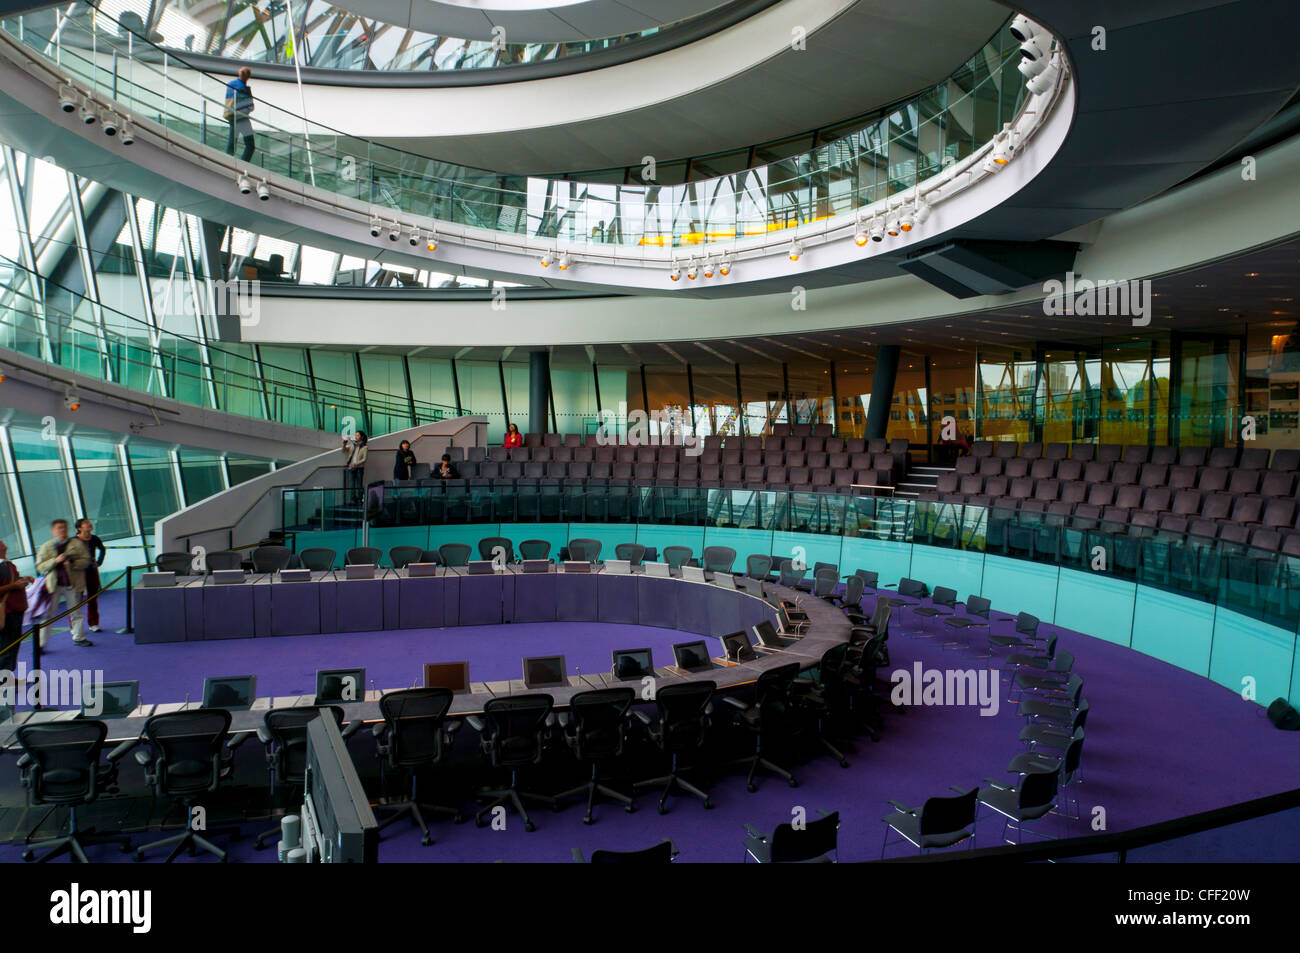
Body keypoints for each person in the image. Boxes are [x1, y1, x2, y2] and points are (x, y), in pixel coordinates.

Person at [35, 519, 92, 647]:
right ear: (53, 531)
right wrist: (55, 561)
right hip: (53, 585)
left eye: (65, 527)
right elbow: (40, 567)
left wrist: (72, 563)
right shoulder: (46, 546)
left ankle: (79, 637)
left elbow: (86, 560)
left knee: (76, 612)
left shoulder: (77, 544)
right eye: (59, 528)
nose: (63, 530)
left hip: (72, 583)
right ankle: (40, 644)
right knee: (48, 614)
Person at [0, 540, 33, 677]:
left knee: (13, 645)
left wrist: (23, 579)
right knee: (6, 647)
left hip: (14, 609)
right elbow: (9, 585)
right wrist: (15, 586)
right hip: (7, 611)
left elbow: (10, 582)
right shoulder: (3, 565)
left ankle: (8, 677)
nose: (3, 543)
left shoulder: (6, 563)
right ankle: (4, 680)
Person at [75, 518, 106, 632]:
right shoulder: (74, 540)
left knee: (92, 598)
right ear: (79, 528)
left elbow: (102, 549)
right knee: (76, 600)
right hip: (78, 573)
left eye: (89, 522)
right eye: (86, 523)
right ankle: (75, 626)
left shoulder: (94, 538)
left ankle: (93, 623)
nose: (89, 524)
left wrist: (99, 562)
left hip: (92, 571)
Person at [224, 65, 256, 162]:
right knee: (250, 144)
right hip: (242, 117)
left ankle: (228, 161)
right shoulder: (244, 89)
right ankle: (244, 162)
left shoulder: (230, 84)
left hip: (232, 116)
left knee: (232, 142)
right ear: (248, 77)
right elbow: (251, 106)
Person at [343, 431, 368, 504]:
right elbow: (344, 450)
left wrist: (355, 464)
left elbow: (364, 459)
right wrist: (344, 443)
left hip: (359, 468)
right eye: (355, 435)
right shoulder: (352, 445)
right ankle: (352, 500)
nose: (356, 437)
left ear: (361, 437)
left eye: (357, 435)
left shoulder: (365, 447)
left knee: (359, 485)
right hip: (351, 468)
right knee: (351, 485)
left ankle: (360, 500)